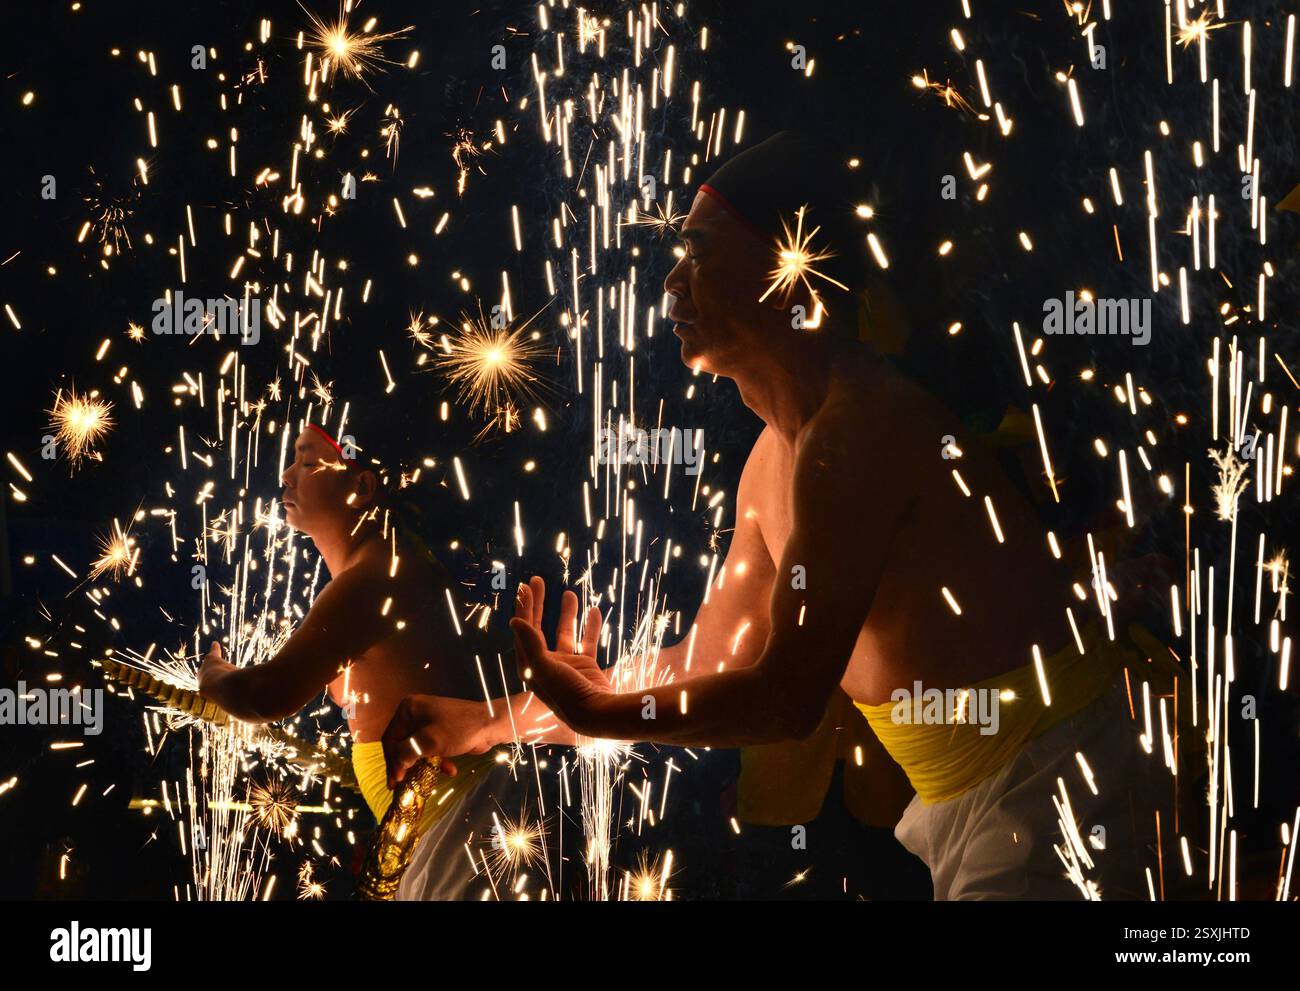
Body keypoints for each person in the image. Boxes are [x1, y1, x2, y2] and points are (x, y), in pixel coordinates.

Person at [385, 132, 1200, 899]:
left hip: (1076, 772)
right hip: (989, 793)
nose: (671, 284)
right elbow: (706, 660)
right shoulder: (771, 462)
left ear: (787, 271)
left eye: (699, 253)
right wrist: (492, 721)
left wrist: (596, 709)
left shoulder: (858, 430)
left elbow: (784, 699)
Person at [197, 408, 562, 898]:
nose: (286, 475)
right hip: (449, 832)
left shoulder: (380, 574)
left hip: (467, 835)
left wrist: (215, 678)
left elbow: (267, 693)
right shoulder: (381, 569)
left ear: (362, 488)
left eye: (307, 463)